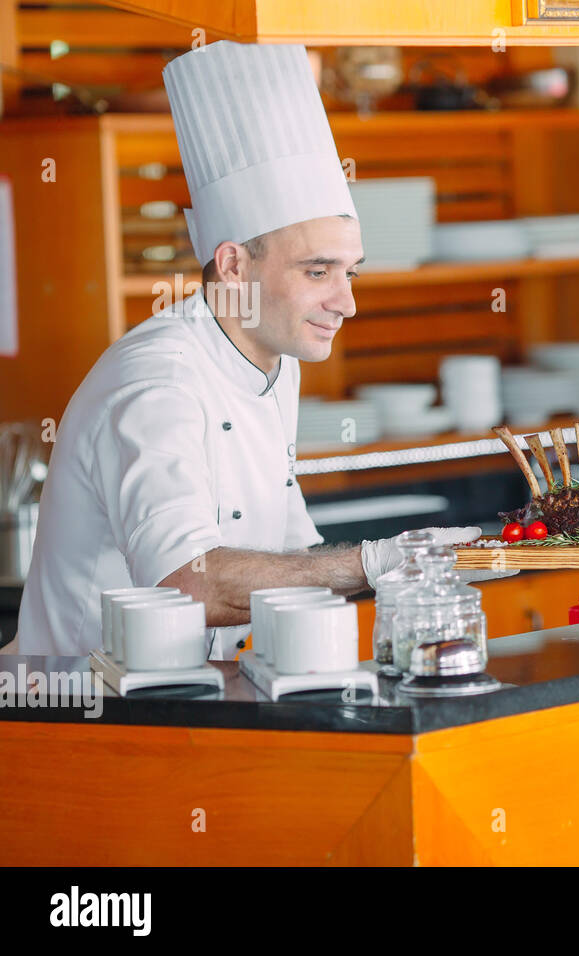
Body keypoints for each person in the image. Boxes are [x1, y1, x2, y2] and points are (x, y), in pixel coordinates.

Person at [17, 42, 505, 659]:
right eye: (317, 270)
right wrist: (374, 563)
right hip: (82, 712)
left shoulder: (272, 357)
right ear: (232, 265)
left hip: (183, 699)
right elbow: (187, 582)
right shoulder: (155, 385)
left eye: (350, 272)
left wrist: (420, 572)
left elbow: (286, 555)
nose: (346, 303)